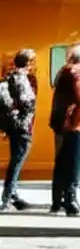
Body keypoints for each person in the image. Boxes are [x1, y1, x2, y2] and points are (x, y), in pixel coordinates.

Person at [50, 43, 80, 217]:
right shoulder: (77, 73)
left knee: (64, 164)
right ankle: (71, 202)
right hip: (79, 124)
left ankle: (58, 202)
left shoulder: (67, 72)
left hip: (72, 124)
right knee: (74, 164)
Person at [0, 49, 36, 211]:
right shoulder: (21, 78)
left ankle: (12, 195)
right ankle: (7, 198)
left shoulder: (10, 76)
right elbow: (25, 100)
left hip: (14, 124)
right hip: (22, 125)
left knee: (16, 159)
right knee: (17, 161)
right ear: (28, 63)